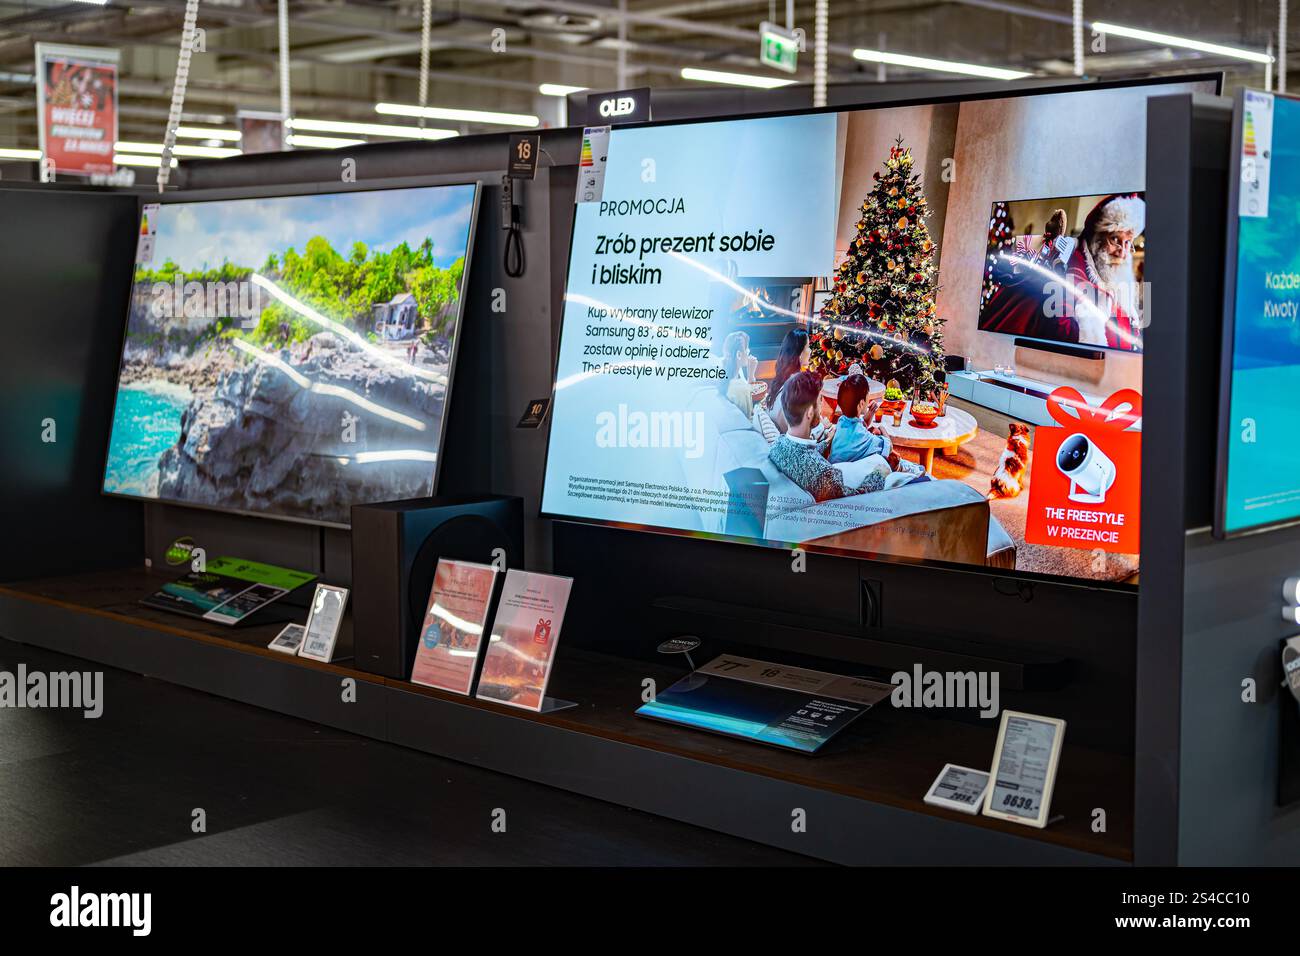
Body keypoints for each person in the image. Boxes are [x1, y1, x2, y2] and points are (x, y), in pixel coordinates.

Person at [980, 194, 1145, 351]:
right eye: (1115, 240)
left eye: (1128, 242)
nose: (1122, 253)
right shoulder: (1071, 274)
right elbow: (1063, 333)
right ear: (1097, 238)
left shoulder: (1121, 290)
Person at [769, 371, 887, 501]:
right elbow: (854, 498)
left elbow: (799, 454)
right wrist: (879, 475)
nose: (821, 408)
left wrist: (827, 442)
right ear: (809, 412)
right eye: (820, 401)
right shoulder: (823, 474)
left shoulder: (777, 445)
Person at [829, 373, 891, 464]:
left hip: (834, 470)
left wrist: (871, 412)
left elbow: (860, 424)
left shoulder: (842, 421)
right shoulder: (863, 435)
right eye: (867, 395)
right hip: (847, 476)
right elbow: (888, 447)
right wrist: (882, 428)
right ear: (861, 403)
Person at [719, 330, 758, 418]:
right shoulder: (734, 384)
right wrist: (751, 375)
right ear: (739, 355)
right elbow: (748, 403)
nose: (748, 355)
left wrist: (750, 375)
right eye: (747, 351)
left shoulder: (735, 367)